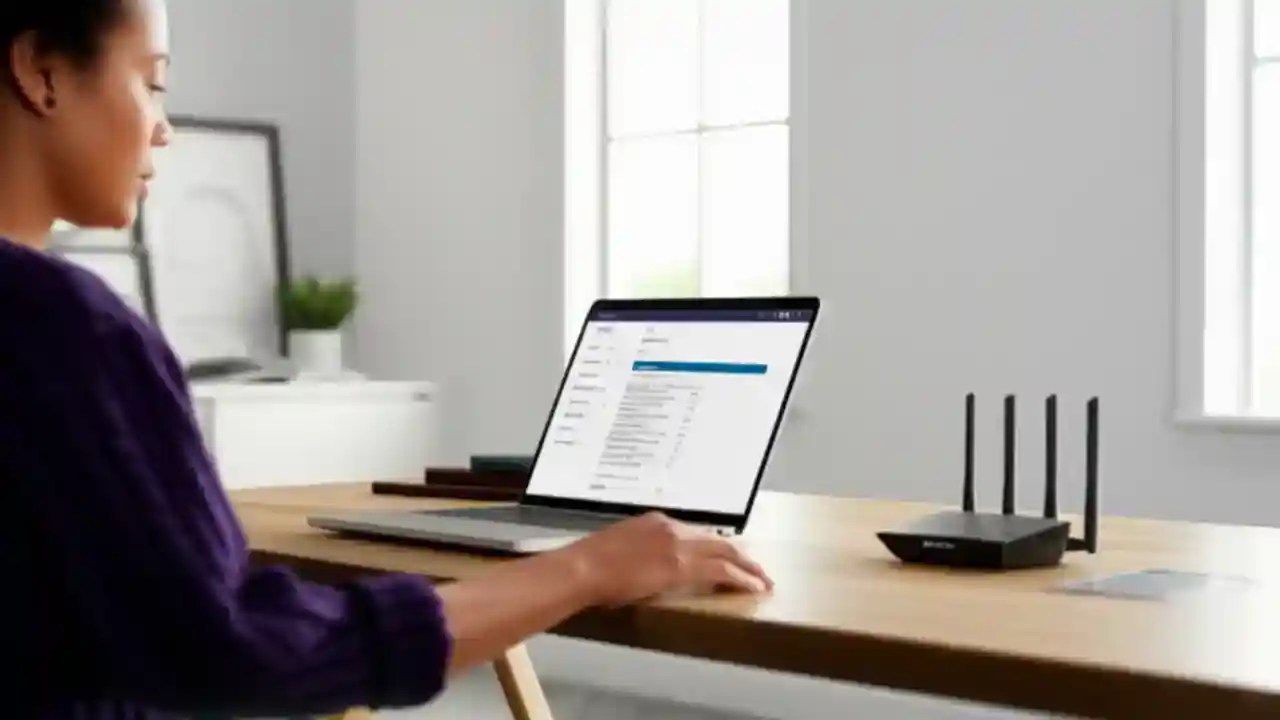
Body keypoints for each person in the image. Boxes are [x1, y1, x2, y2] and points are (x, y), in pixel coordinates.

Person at [0, 1, 774, 718]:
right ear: (40, 71)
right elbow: (240, 650)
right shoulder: (66, 328)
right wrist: (585, 570)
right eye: (153, 82)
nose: (164, 128)